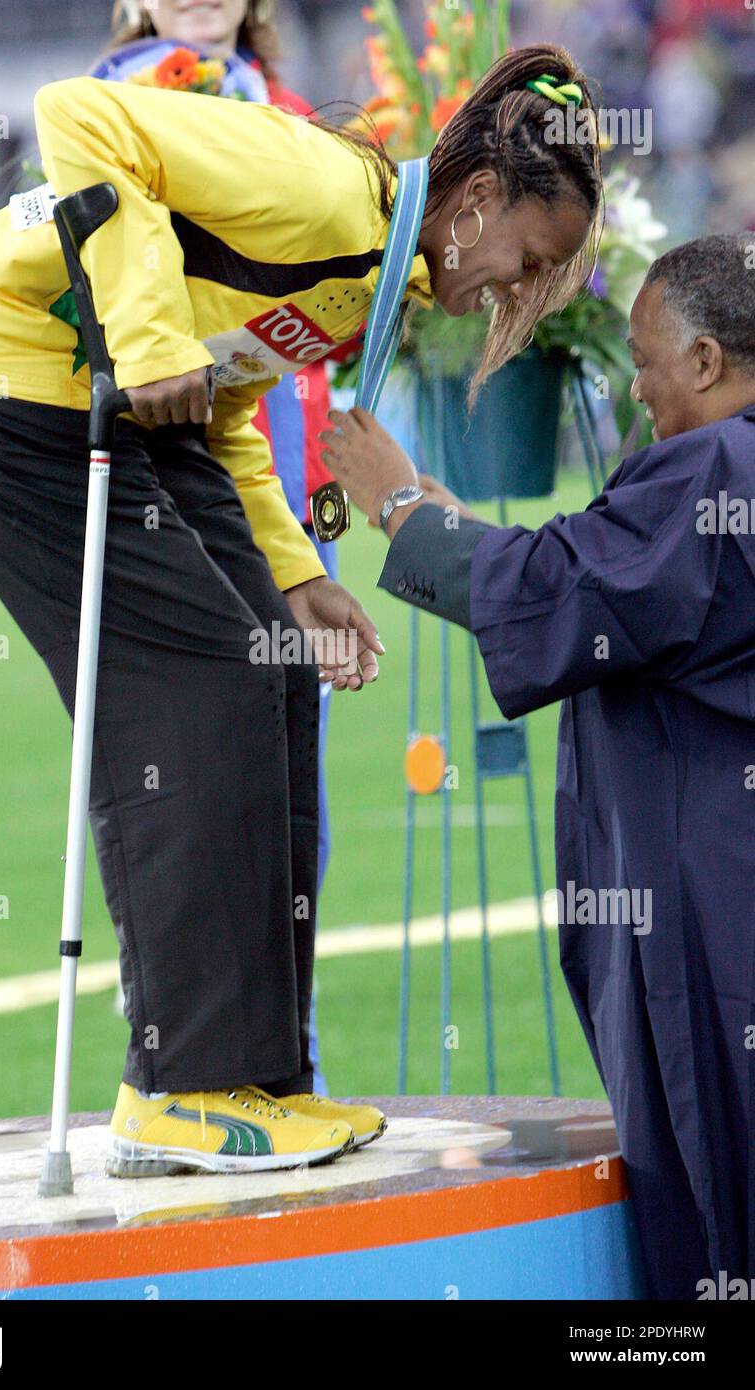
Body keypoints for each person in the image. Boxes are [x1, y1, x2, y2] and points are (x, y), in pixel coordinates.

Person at [0, 43, 601, 1177]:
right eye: (525, 258)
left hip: (131, 404)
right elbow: (75, 113)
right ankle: (179, 1088)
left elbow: (225, 395)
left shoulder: (378, 275)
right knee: (202, 680)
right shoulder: (318, 189)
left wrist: (299, 575)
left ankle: (258, 1078)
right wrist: (154, 336)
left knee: (271, 669)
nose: (515, 290)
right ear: (473, 199)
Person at [321, 233, 755, 1298]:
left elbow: (578, 595)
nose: (636, 385)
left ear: (705, 361)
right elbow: (612, 577)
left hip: (709, 901)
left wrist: (397, 509)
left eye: (647, 359)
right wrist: (456, 524)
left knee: (716, 1181)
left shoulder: (715, 464)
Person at [95, 0, 339, 1094]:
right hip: (177, 463)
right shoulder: (136, 94)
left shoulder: (291, 111)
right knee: (198, 761)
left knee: (292, 773)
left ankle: (287, 1051)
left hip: (277, 474)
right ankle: (189, 1054)